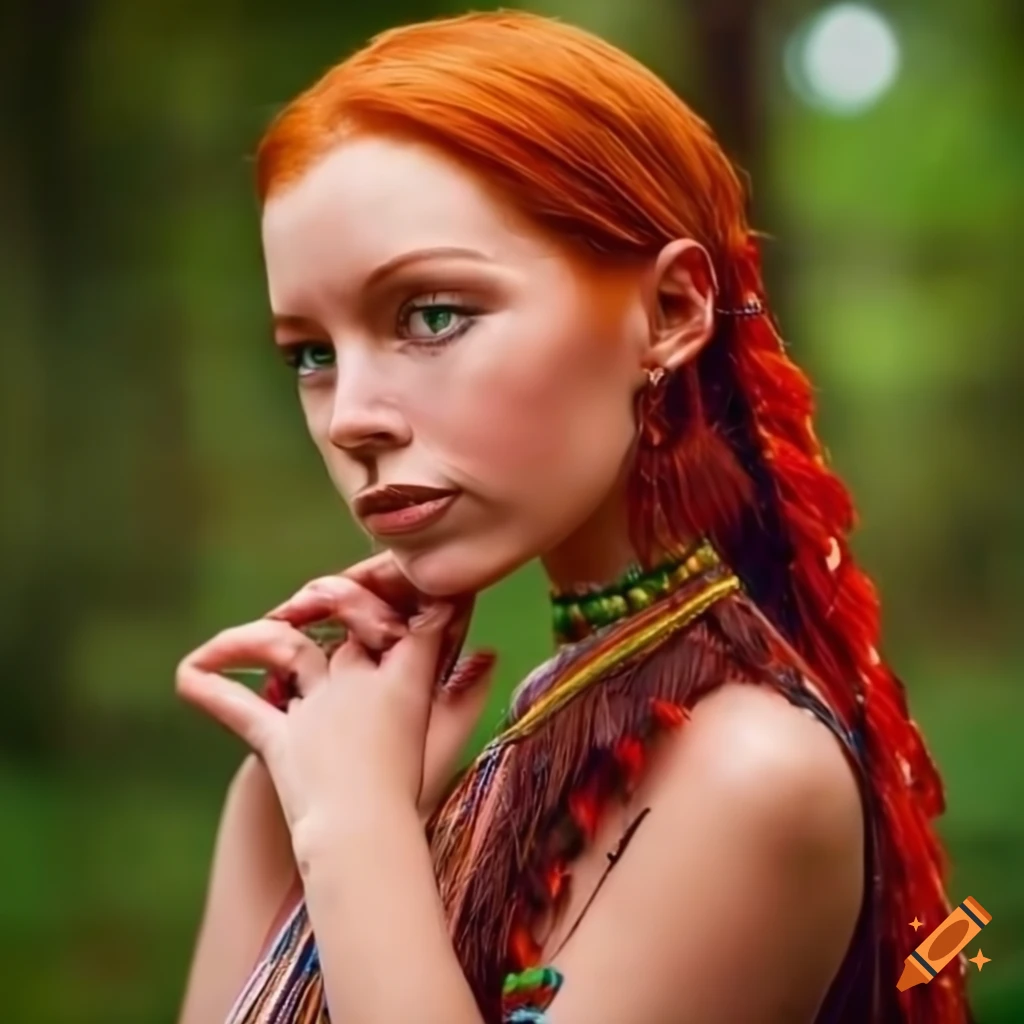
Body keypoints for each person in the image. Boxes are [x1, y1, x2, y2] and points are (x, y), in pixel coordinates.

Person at [174, 11, 969, 1023]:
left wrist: (352, 825)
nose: (355, 417)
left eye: (431, 314)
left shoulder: (748, 771)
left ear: (671, 314)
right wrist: (283, 796)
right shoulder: (521, 726)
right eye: (310, 353)